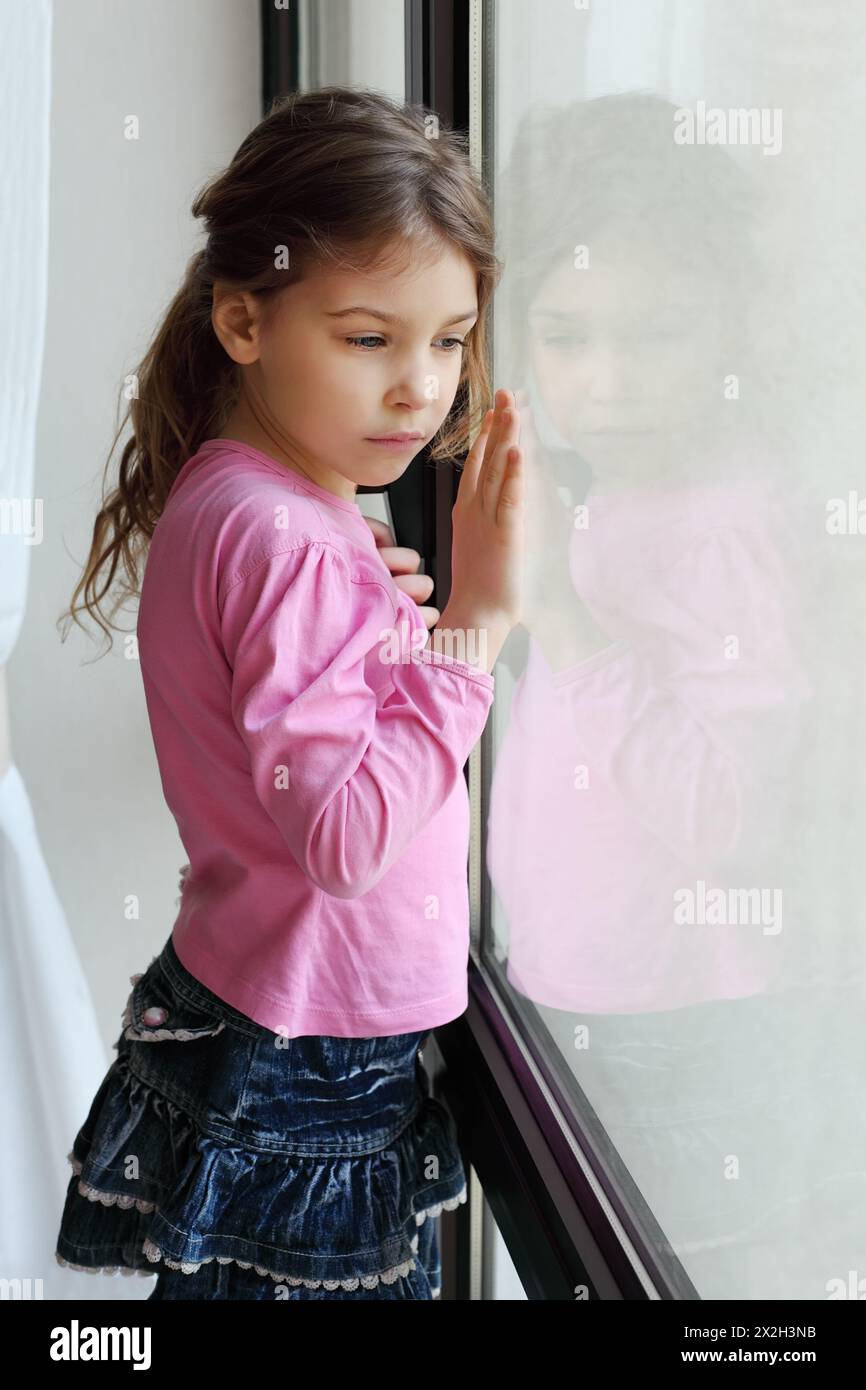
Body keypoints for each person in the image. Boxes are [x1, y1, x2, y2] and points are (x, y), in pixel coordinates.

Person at [53, 86, 525, 1300]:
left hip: (239, 994)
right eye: (368, 338)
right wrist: (467, 636)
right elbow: (346, 837)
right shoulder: (296, 540)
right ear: (243, 321)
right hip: (310, 1055)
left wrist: (381, 641)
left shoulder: (233, 491)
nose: (420, 388)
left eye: (450, 338)